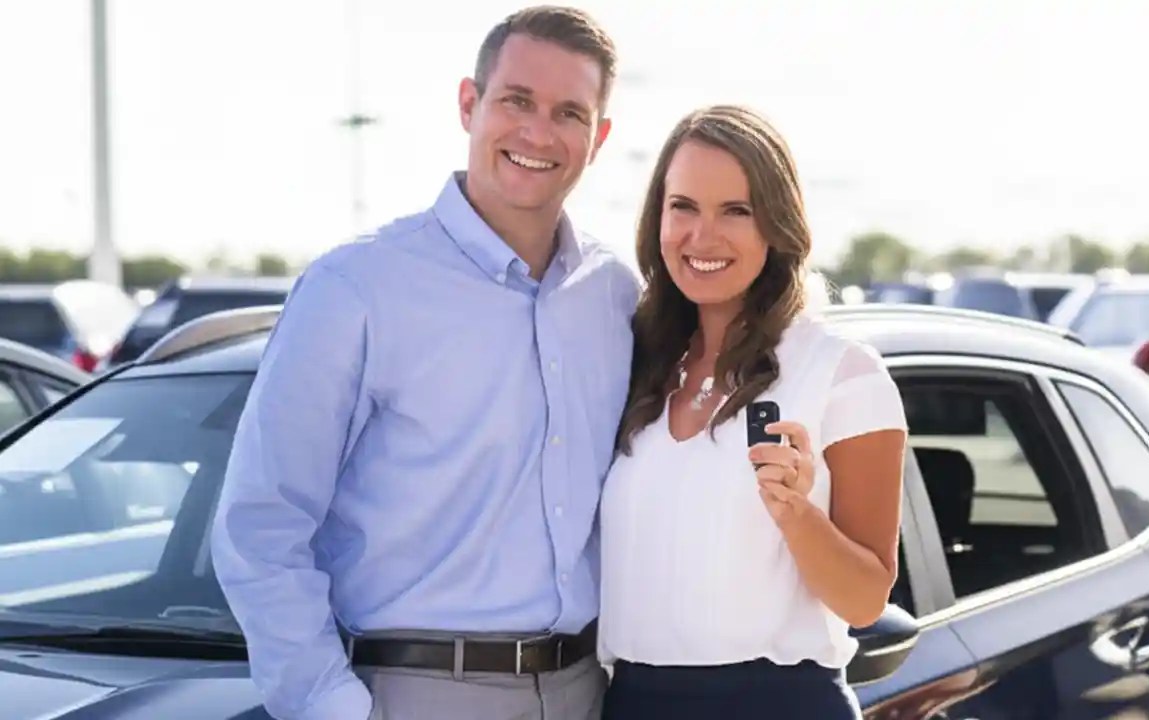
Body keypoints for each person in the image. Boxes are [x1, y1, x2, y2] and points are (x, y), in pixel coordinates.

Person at [210, 6, 638, 719]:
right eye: (516, 101)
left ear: (599, 139)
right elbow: (261, 522)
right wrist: (330, 704)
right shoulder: (357, 288)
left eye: (570, 112)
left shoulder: (618, 297)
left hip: (588, 691)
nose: (538, 132)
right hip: (415, 692)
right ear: (469, 104)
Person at [597, 105, 909, 719]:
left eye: (736, 211)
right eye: (683, 206)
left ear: (777, 225)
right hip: (633, 702)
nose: (702, 236)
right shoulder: (634, 366)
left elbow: (866, 601)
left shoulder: (841, 371)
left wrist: (795, 514)